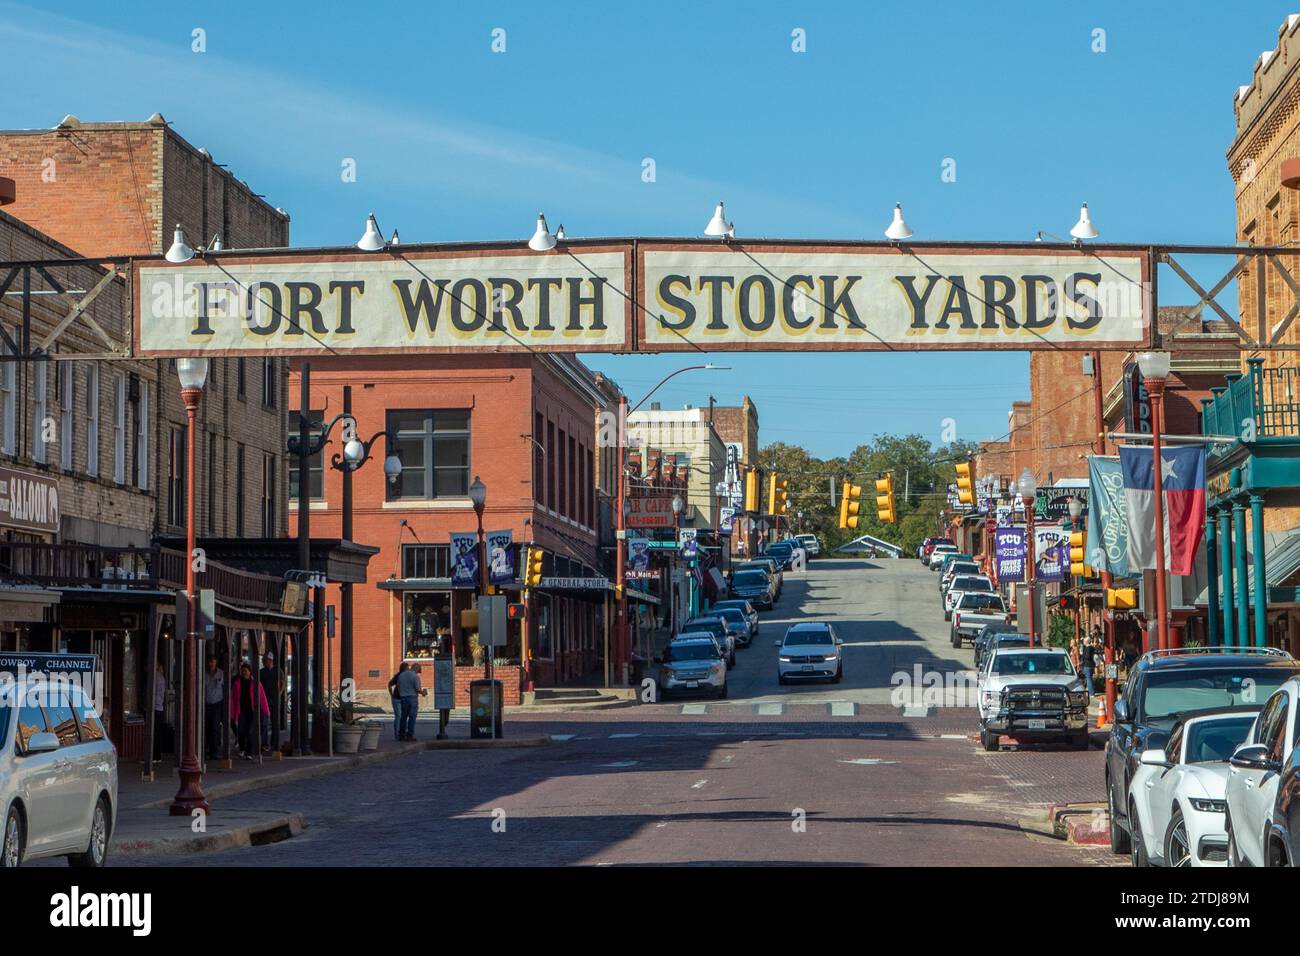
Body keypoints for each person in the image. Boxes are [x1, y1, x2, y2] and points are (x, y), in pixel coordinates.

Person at [230, 662, 270, 761]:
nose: (244, 673)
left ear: (250, 672)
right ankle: (242, 749)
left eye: (246, 671)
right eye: (243, 671)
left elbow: (262, 697)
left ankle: (249, 751)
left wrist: (266, 711)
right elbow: (232, 699)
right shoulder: (237, 683)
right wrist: (231, 712)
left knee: (250, 731)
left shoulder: (256, 683)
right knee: (241, 731)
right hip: (241, 710)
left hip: (252, 711)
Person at [259, 651, 286, 754]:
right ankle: (265, 744)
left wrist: (279, 694)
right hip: (264, 700)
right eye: (264, 660)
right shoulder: (261, 672)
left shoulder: (278, 671)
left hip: (274, 700)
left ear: (271, 661)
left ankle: (274, 743)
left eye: (267, 660)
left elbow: (282, 683)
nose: (265, 662)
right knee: (264, 723)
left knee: (275, 722)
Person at [395, 662, 427, 741]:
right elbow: (417, 689)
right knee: (412, 717)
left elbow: (398, 687)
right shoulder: (415, 676)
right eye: (418, 671)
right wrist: (423, 693)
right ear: (416, 668)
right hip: (412, 698)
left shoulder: (401, 675)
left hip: (403, 698)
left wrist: (402, 694)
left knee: (403, 717)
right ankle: (410, 735)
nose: (418, 673)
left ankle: (401, 735)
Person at [203, 656, 225, 760]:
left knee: (215, 728)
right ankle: (204, 750)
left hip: (217, 704)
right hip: (206, 704)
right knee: (206, 728)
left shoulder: (221, 673)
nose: (211, 664)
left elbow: (224, 687)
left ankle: (214, 752)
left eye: (213, 662)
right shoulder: (204, 674)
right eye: (210, 662)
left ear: (216, 662)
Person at [387, 662, 409, 741]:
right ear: (404, 668)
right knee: (399, 716)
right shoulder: (399, 675)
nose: (408, 669)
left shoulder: (406, 675)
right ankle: (397, 734)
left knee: (403, 716)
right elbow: (389, 684)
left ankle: (403, 733)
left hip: (403, 698)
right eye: (407, 667)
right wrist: (391, 694)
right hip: (397, 698)